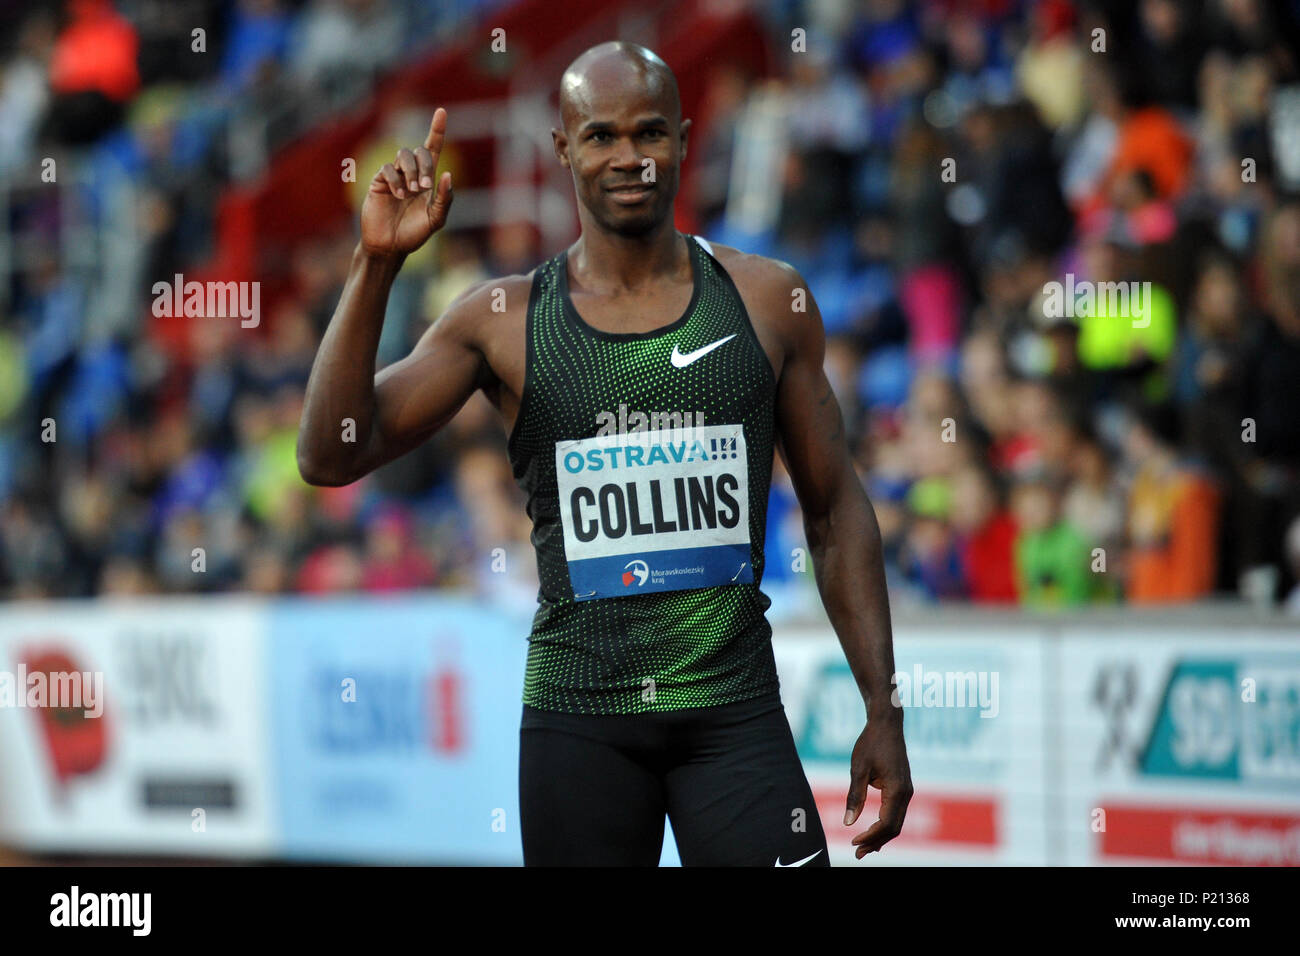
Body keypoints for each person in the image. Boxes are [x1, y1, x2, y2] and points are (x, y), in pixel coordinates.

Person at [297, 41, 911, 866]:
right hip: (578, 725)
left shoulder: (768, 302)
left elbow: (834, 509)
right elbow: (332, 454)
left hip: (733, 716)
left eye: (649, 134)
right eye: (601, 137)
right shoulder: (503, 320)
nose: (629, 158)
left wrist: (883, 705)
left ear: (686, 139)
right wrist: (376, 263)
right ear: (562, 149)